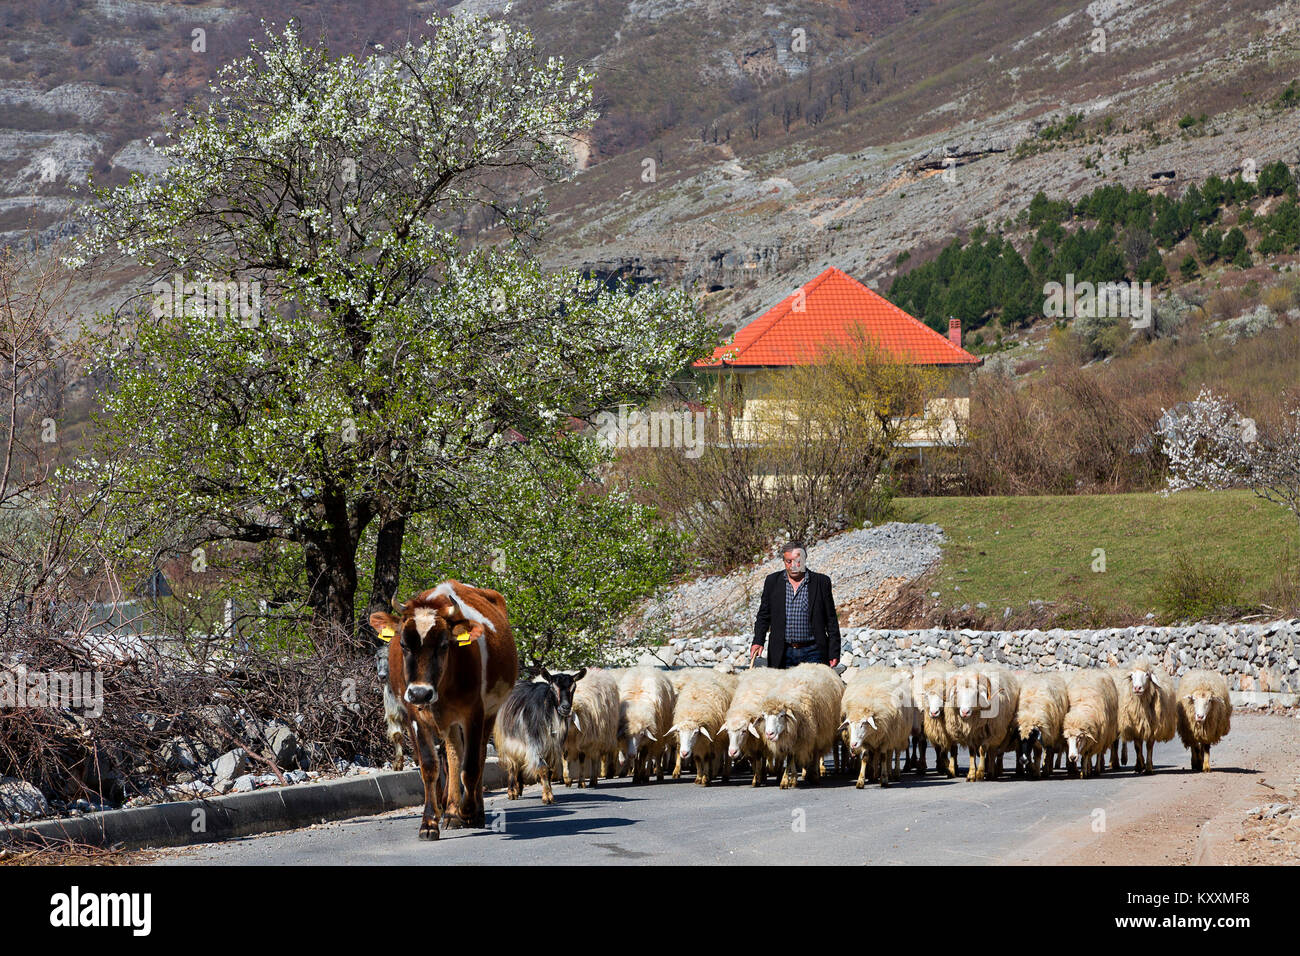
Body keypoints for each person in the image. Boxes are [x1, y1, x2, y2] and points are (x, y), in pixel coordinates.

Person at [750, 541, 841, 669]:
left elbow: (831, 620)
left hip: (813, 651)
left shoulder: (821, 582)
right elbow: (764, 615)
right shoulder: (772, 582)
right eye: (789, 561)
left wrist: (834, 651)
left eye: (798, 561)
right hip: (782, 651)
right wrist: (758, 641)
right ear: (784, 561)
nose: (793, 566)